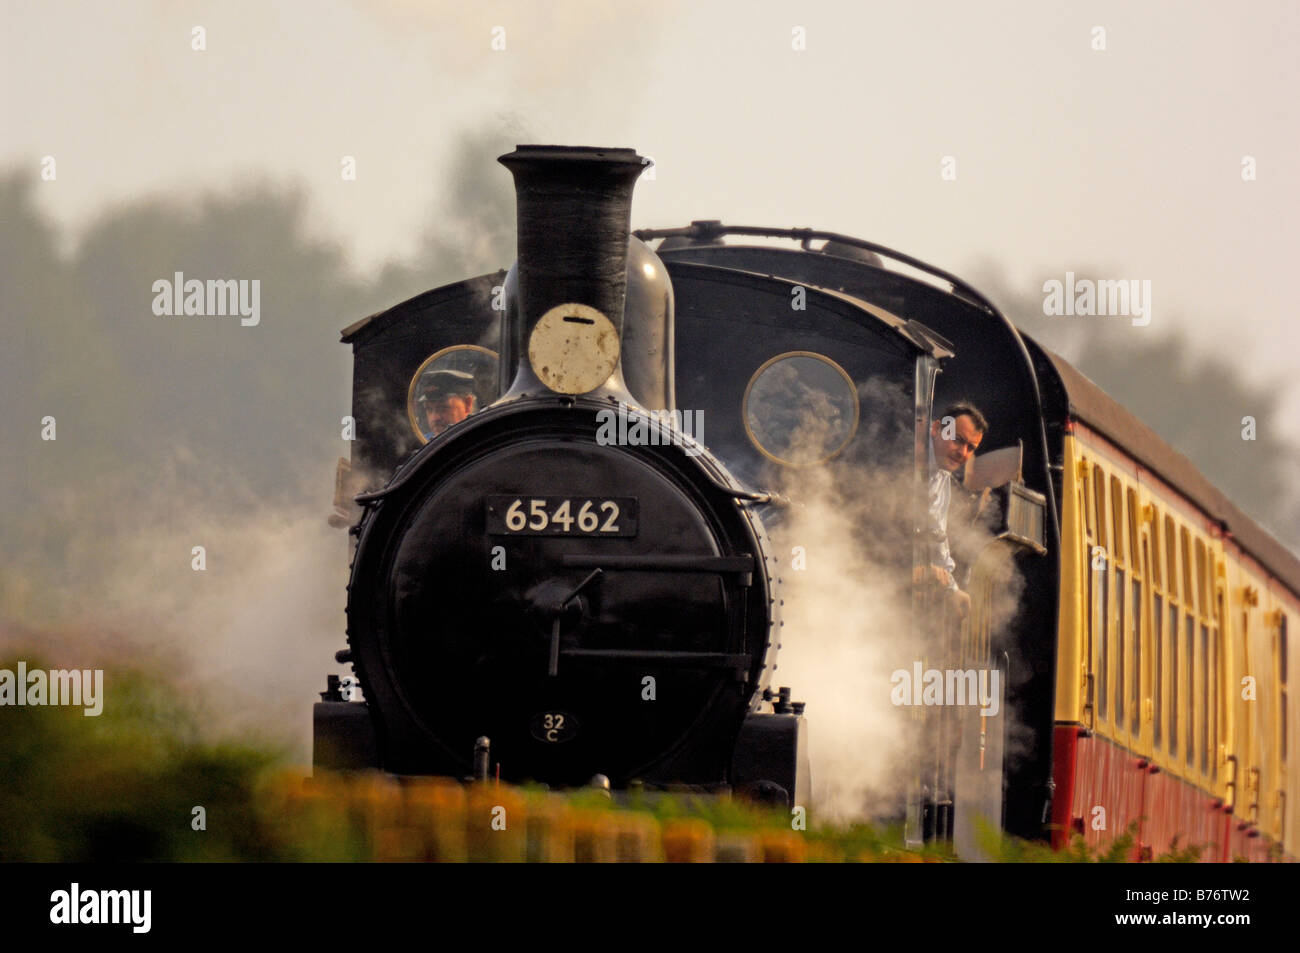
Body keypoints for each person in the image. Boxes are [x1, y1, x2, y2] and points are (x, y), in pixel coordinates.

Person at [917, 401, 987, 619]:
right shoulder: (905, 459)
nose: (963, 453)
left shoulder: (943, 478)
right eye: (957, 440)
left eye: (971, 448)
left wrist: (952, 589)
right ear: (937, 428)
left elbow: (938, 538)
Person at [417, 368, 478, 438]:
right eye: (429, 409)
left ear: (467, 404)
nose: (434, 418)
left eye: (443, 408)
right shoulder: (425, 443)